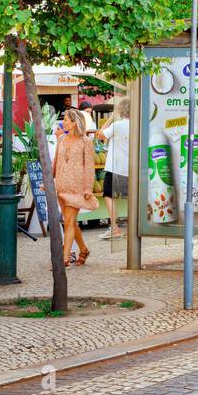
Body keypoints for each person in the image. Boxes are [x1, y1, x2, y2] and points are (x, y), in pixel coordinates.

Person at [53, 108, 96, 267]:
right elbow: (56, 163)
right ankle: (83, 249)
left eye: (66, 120)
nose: (63, 122)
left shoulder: (86, 141)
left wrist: (88, 188)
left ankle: (63, 259)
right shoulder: (62, 140)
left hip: (77, 188)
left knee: (69, 221)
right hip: (62, 186)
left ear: (74, 122)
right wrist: (49, 181)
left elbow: (89, 167)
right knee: (70, 222)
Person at [97, 97, 129, 240]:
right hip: (131, 167)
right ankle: (131, 228)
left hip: (115, 166)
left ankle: (114, 227)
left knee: (108, 195)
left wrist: (109, 120)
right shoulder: (138, 125)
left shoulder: (118, 125)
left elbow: (100, 135)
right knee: (130, 198)